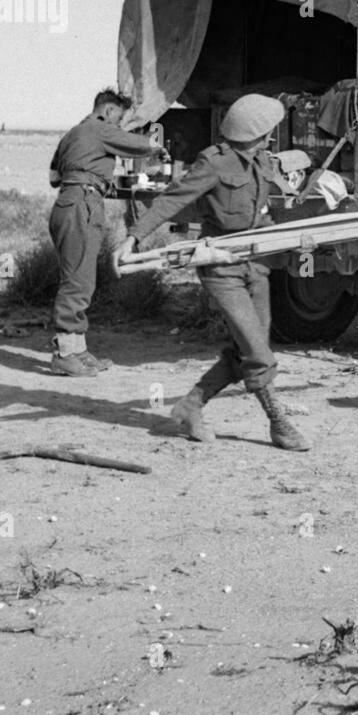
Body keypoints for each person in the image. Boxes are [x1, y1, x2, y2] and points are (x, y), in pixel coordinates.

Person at [115, 94, 310, 452]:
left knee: (248, 348)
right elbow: (173, 199)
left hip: (256, 266)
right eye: (268, 130)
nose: (271, 136)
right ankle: (278, 423)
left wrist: (288, 240)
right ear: (257, 132)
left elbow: (262, 214)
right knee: (257, 351)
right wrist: (133, 238)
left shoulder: (262, 162)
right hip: (220, 267)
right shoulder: (214, 162)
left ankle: (189, 407)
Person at [48, 88, 162, 375]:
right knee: (77, 281)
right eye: (119, 118)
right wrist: (158, 146)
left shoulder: (72, 134)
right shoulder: (99, 128)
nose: (118, 124)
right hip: (83, 205)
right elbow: (139, 145)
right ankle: (64, 353)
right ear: (109, 111)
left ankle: (77, 350)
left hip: (68, 201)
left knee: (80, 278)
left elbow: (53, 176)